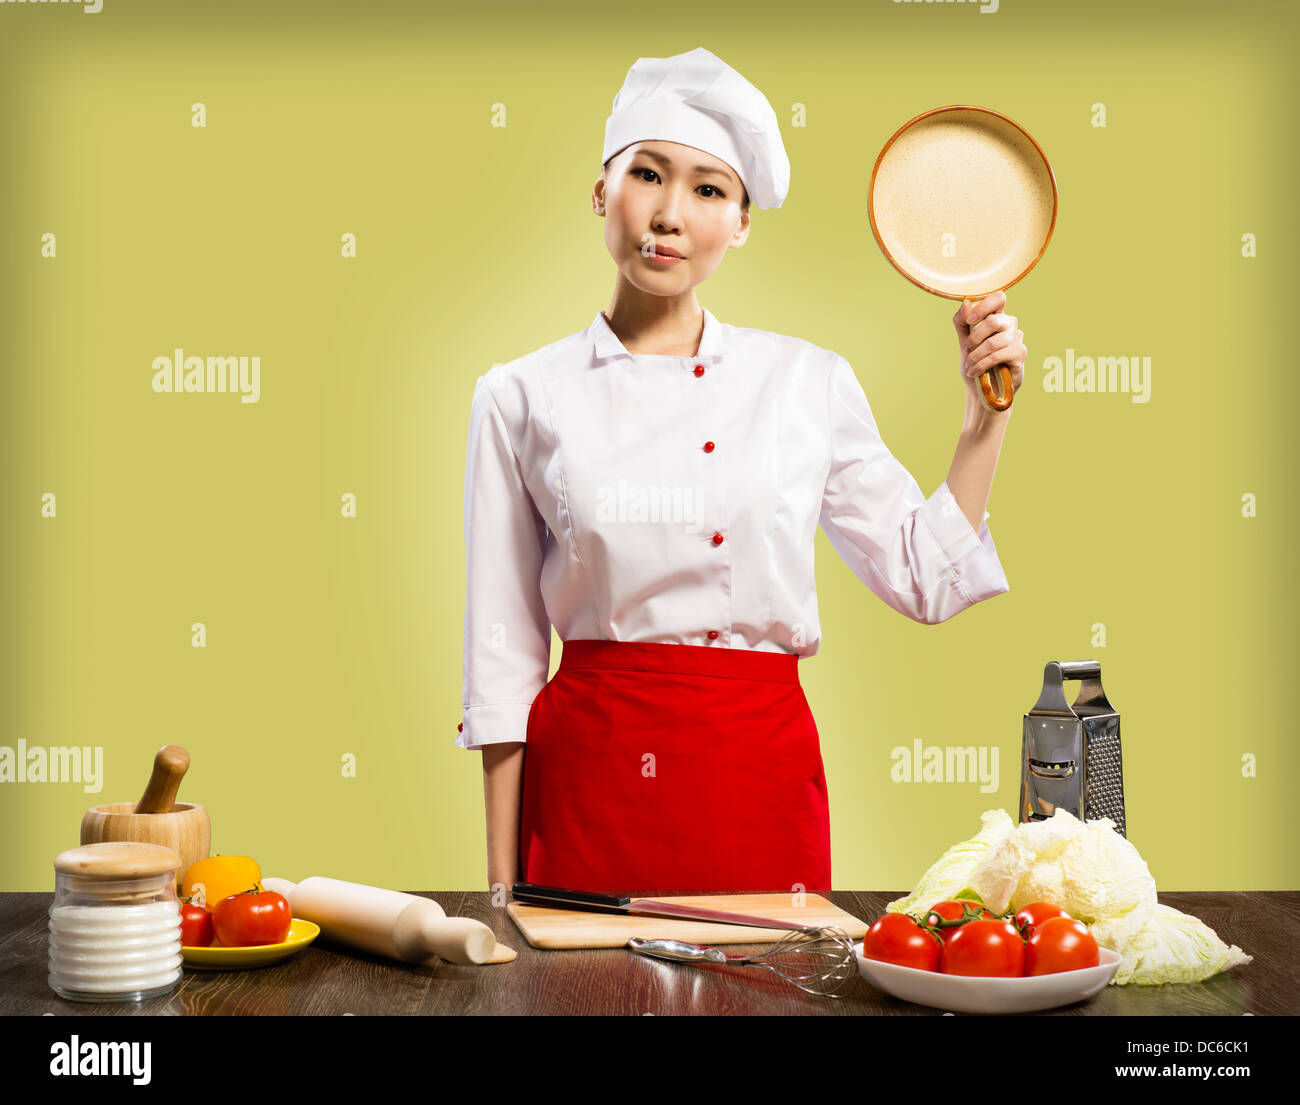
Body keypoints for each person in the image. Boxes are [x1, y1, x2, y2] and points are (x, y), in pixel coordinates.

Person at [457, 47, 1025, 897]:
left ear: (742, 223)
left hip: (758, 776)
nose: (670, 214)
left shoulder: (807, 381)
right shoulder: (518, 395)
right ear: (601, 191)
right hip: (590, 786)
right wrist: (502, 893)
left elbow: (922, 577)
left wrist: (985, 424)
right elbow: (502, 663)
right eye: (647, 174)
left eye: (709, 189)